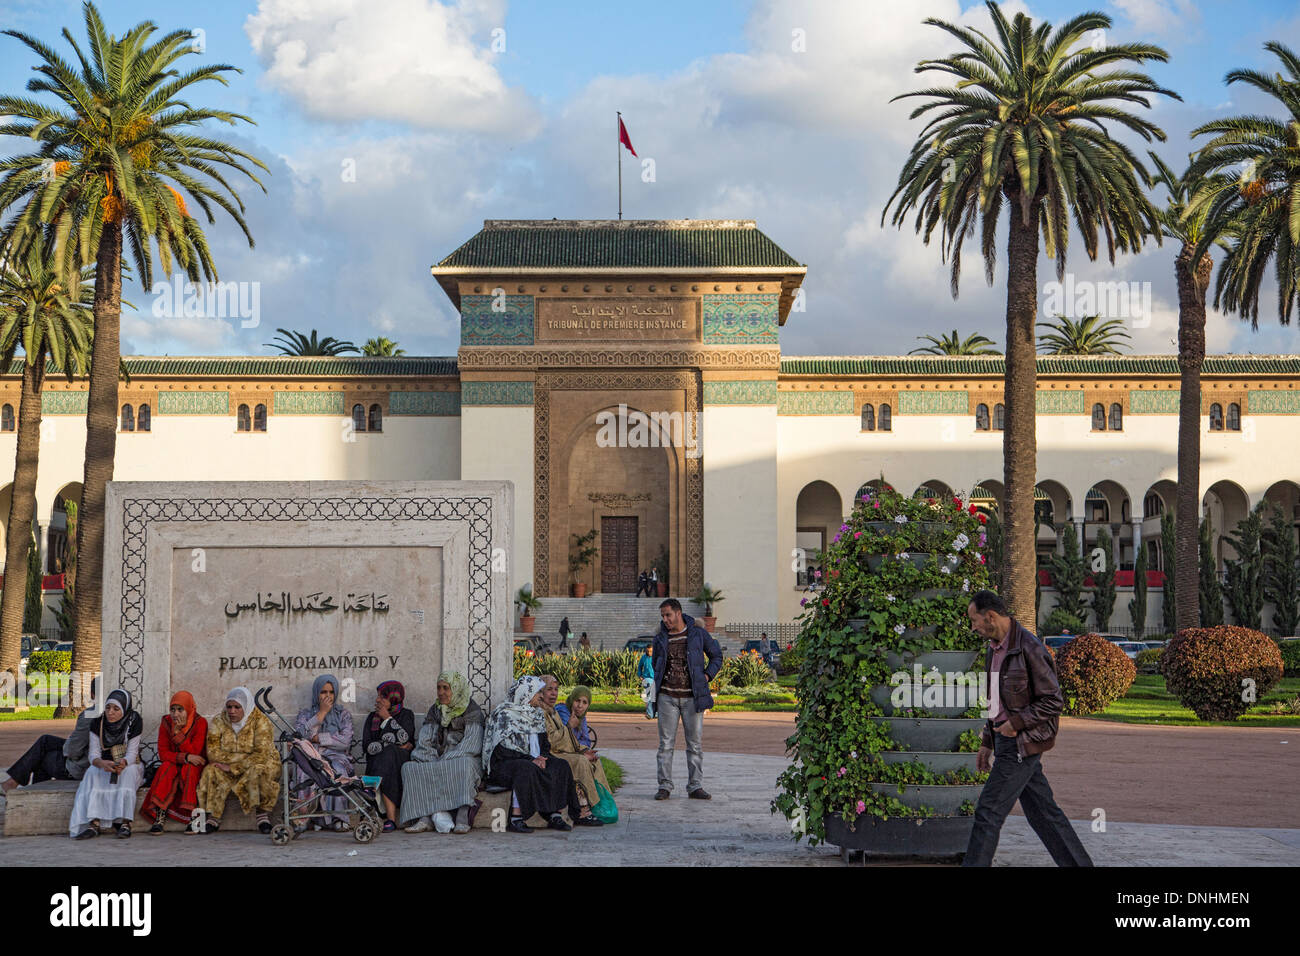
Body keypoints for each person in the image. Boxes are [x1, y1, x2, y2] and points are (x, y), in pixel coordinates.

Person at [963, 590, 1093, 867]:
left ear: (991, 616)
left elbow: (1053, 700)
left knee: (988, 812)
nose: (972, 626)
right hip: (1005, 740)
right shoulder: (994, 649)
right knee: (1043, 814)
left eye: (974, 620)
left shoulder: (1030, 648)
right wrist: (987, 741)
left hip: (1021, 743)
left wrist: (1016, 724)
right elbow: (995, 701)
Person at [483, 676, 603, 833]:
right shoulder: (505, 715)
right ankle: (516, 818)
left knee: (560, 766)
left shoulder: (536, 715)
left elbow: (544, 745)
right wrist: (532, 759)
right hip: (505, 764)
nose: (541, 696)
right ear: (526, 693)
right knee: (525, 768)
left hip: (534, 760)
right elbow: (502, 751)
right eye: (537, 692)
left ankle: (555, 814)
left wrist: (543, 758)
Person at [652, 598, 722, 800]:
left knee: (694, 744)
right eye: (663, 616)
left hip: (693, 697)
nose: (665, 620)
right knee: (665, 744)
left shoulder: (697, 633)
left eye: (668, 615)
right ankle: (664, 786)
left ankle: (695, 786)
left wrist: (707, 676)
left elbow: (716, 656)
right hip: (667, 696)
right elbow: (656, 662)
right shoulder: (660, 638)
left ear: (678, 613)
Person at [401, 671, 483, 834]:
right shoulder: (435, 710)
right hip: (438, 759)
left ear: (457, 689)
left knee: (464, 765)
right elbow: (424, 741)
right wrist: (431, 757)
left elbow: (472, 745)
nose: (441, 692)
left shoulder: (472, 710)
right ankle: (423, 817)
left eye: (446, 688)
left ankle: (462, 815)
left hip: (462, 757)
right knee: (409, 768)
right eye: (439, 688)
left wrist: (447, 758)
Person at [195, 686, 280, 834]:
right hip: (229, 764)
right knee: (211, 770)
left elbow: (261, 754)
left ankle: (262, 815)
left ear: (246, 707)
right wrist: (241, 759)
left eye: (237, 707)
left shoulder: (261, 721)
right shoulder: (219, 721)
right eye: (229, 707)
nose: (232, 711)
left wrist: (234, 767)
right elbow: (213, 752)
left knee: (260, 770)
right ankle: (214, 816)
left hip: (260, 763)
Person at [68, 688, 144, 839]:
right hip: (104, 763)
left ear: (124, 708)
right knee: (92, 772)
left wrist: (123, 763)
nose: (111, 712)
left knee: (128, 773)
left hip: (128, 763)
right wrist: (101, 763)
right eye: (108, 707)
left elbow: (132, 752)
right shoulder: (98, 722)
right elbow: (93, 754)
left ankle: (125, 823)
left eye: (116, 709)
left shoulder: (134, 720)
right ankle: (93, 823)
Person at [3, 677, 98, 792]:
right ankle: (13, 783)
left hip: (80, 768)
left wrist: (68, 747)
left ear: (92, 695)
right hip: (89, 760)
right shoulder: (117, 711)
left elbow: (72, 751)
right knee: (45, 740)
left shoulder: (90, 716)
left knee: (41, 759)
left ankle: (29, 795)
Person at [293, 673, 354, 832]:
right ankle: (304, 818)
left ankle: (339, 817)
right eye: (323, 692)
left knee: (337, 771)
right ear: (316, 693)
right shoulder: (305, 714)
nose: (327, 696)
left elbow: (344, 741)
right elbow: (300, 735)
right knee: (304, 772)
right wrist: (321, 714)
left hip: (337, 757)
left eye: (331, 692)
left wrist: (318, 738)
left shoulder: (343, 715)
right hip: (311, 756)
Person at [540, 678, 610, 815]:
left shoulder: (552, 712)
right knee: (580, 761)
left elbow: (581, 739)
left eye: (556, 689)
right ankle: (584, 810)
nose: (554, 693)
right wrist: (570, 728)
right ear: (540, 692)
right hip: (550, 754)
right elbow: (551, 741)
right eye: (549, 689)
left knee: (594, 760)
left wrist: (583, 750)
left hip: (561, 751)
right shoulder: (545, 713)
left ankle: (602, 803)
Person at [141, 690, 207, 833]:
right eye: (172, 709)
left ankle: (193, 816)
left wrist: (178, 735)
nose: (175, 714)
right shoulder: (166, 722)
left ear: (189, 709)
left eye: (180, 710)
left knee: (190, 769)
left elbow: (196, 752)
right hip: (176, 762)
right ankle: (160, 814)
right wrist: (185, 757)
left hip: (195, 764)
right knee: (166, 767)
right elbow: (163, 754)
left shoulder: (200, 723)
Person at [363, 679, 415, 832]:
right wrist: (393, 743)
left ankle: (371, 787)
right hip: (377, 761)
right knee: (388, 753)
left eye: (382, 697)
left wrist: (387, 718)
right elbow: (367, 746)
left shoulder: (406, 715)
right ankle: (391, 820)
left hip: (400, 761)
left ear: (394, 698)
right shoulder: (371, 717)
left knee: (390, 753)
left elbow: (406, 739)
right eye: (378, 696)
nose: (378, 700)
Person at [638, 645, 656, 719]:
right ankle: (650, 714)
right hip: (647, 679)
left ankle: (655, 713)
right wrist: (640, 675)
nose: (649, 652)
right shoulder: (643, 657)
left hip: (656, 678)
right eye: (648, 651)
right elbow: (639, 667)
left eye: (651, 651)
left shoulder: (656, 657)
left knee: (655, 696)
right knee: (649, 696)